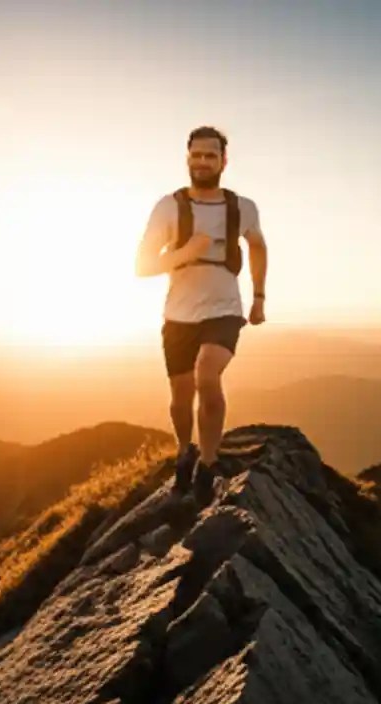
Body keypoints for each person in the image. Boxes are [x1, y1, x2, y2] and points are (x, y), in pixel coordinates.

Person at [135, 125, 268, 505]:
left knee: (207, 375)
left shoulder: (241, 207)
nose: (203, 162)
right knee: (181, 396)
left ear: (224, 161)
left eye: (211, 155)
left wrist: (258, 297)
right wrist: (187, 252)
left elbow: (257, 246)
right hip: (178, 315)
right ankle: (185, 450)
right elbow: (142, 266)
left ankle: (208, 465)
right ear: (187, 158)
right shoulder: (169, 207)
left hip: (224, 310)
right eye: (197, 155)